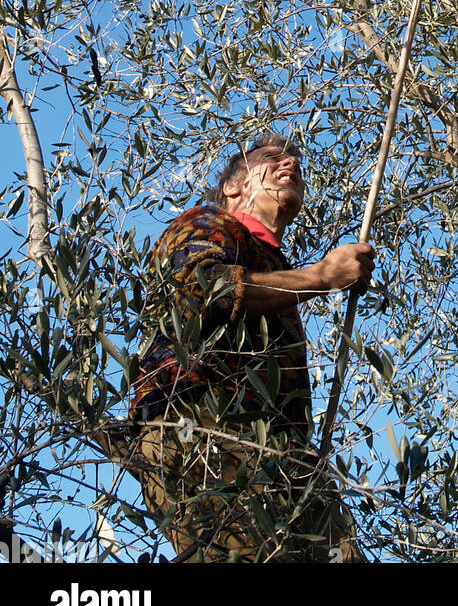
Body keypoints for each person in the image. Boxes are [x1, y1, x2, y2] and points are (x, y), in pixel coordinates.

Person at [130, 132, 375, 562]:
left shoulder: (273, 265)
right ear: (234, 187)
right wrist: (319, 278)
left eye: (295, 163)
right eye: (272, 159)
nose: (290, 166)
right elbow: (207, 288)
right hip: (201, 425)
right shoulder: (207, 222)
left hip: (282, 452)